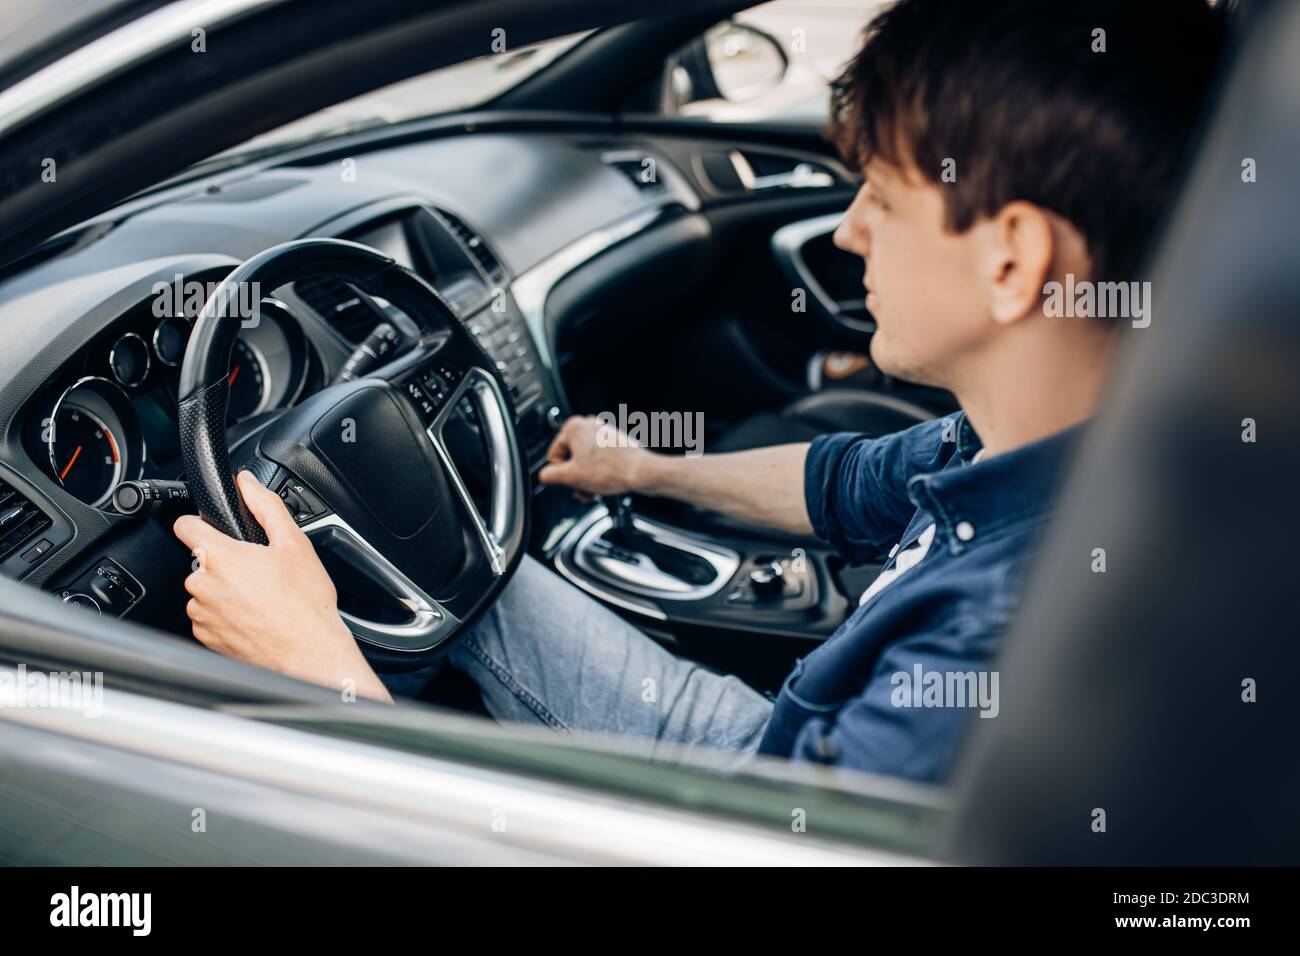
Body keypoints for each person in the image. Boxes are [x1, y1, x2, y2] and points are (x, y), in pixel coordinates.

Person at [172, 0, 1227, 782]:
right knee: (459, 563)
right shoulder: (1042, 442)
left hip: (745, 817)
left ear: (1012, 259)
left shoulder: (996, 653)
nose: (849, 230)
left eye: (881, 197)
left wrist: (321, 671)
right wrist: (644, 466)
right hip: (780, 752)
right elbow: (839, 481)